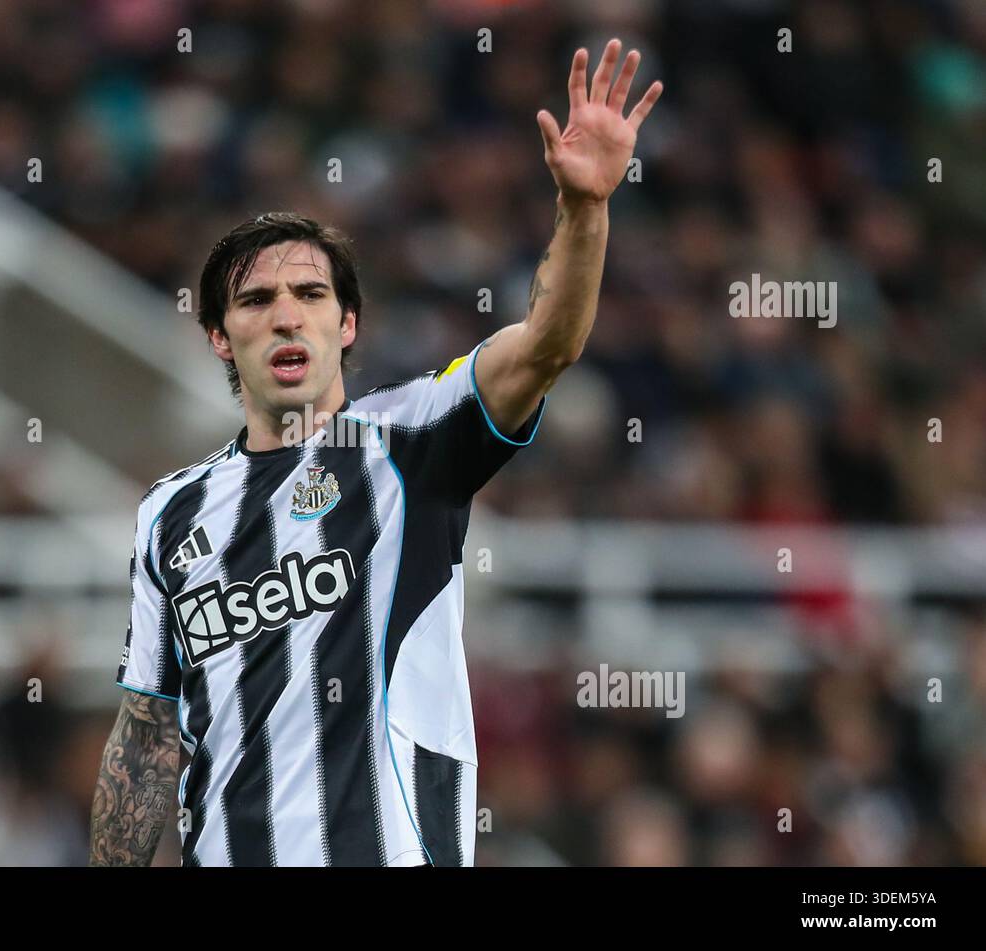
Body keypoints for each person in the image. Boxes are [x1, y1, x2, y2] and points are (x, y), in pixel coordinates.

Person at [88, 39, 662, 866]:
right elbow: (145, 739)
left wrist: (585, 209)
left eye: (310, 295)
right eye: (255, 301)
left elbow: (545, 347)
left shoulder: (412, 439)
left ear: (346, 325)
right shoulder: (171, 512)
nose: (286, 316)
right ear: (220, 337)